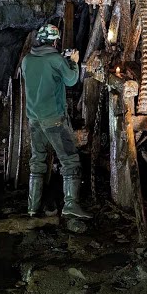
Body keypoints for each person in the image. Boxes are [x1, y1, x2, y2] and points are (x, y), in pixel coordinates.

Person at [21, 23, 92, 219]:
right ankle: (70, 205)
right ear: (54, 41)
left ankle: (32, 207)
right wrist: (74, 62)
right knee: (69, 160)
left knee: (37, 161)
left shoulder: (26, 60)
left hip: (34, 119)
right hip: (54, 119)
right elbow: (70, 81)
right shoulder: (55, 59)